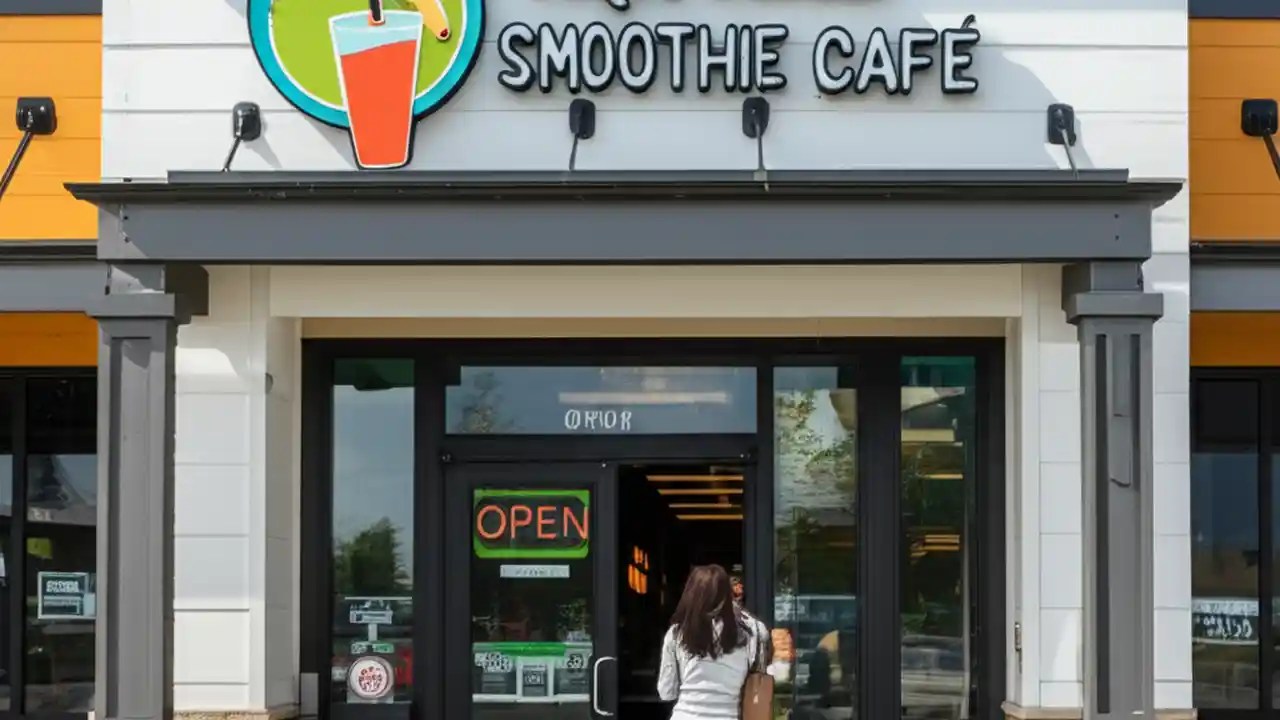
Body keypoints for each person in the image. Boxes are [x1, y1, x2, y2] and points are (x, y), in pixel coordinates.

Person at [657, 564, 766, 719]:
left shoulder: (677, 633)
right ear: (727, 595)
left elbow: (666, 692)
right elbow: (758, 678)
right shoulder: (752, 632)